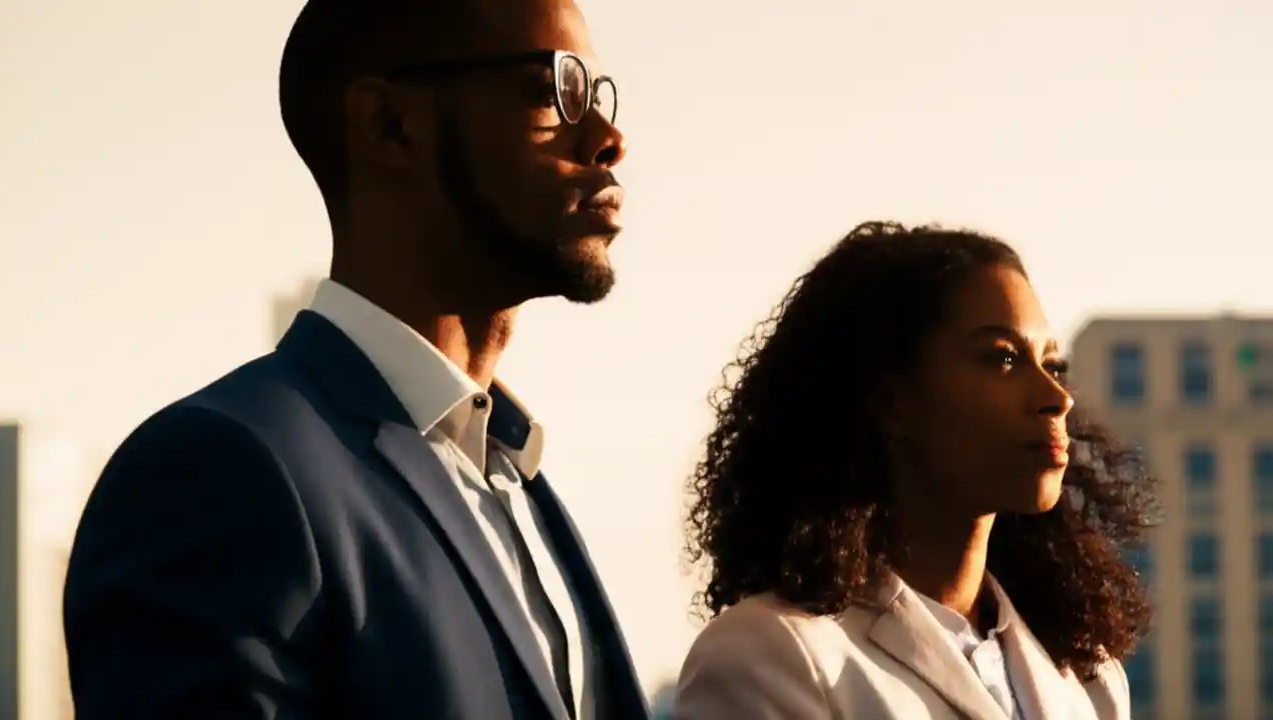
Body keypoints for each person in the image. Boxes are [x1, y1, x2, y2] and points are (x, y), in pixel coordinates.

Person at [63, 0, 646, 718]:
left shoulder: (516, 479)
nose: (608, 138)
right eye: (553, 89)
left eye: (598, 93)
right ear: (388, 125)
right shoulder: (221, 472)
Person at [673, 221, 1155, 720]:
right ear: (892, 400)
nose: (1056, 398)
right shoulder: (770, 653)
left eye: (1052, 366)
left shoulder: (1088, 678)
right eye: (1003, 358)